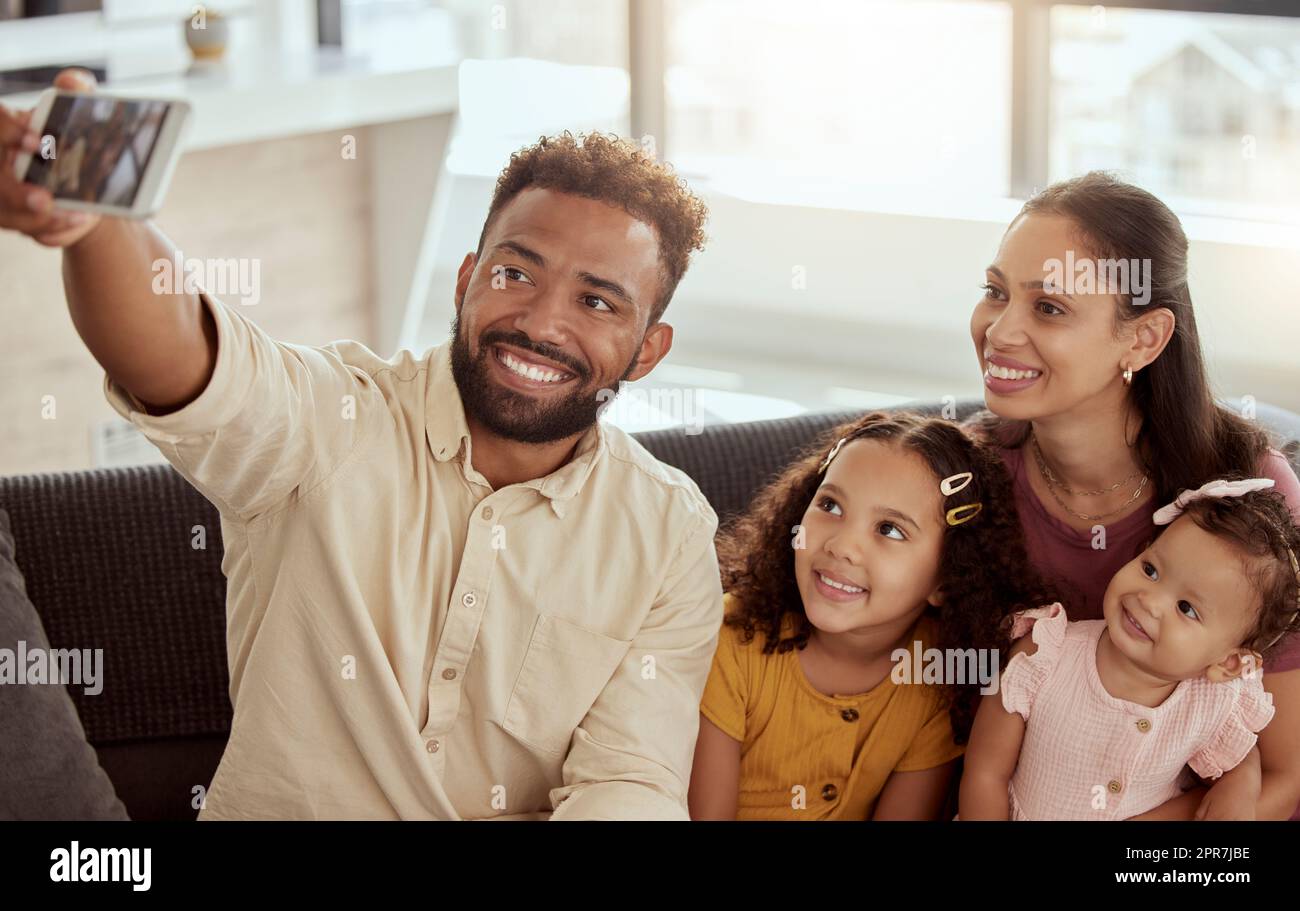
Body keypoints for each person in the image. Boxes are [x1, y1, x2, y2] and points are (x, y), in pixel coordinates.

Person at [0, 69, 722, 820]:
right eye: (515, 272)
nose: (540, 324)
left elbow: (629, 783)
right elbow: (182, 353)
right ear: (466, 281)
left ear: (648, 350)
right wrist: (89, 216)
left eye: (597, 301)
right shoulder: (331, 420)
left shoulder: (668, 535)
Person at [967, 171, 1300, 819]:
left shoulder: (1258, 500)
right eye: (994, 291)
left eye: (1049, 306)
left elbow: (1287, 773)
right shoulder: (964, 482)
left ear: (1143, 338)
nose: (998, 331)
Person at [688, 411, 1053, 819]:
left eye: (890, 530)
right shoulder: (725, 640)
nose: (842, 546)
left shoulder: (941, 675)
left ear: (948, 577)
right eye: (830, 505)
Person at [961, 478, 1299, 819]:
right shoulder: (1045, 653)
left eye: (1186, 608)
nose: (1149, 601)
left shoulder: (1212, 701)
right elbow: (985, 772)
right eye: (1150, 570)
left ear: (1228, 663)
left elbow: (1237, 753)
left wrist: (1240, 783)